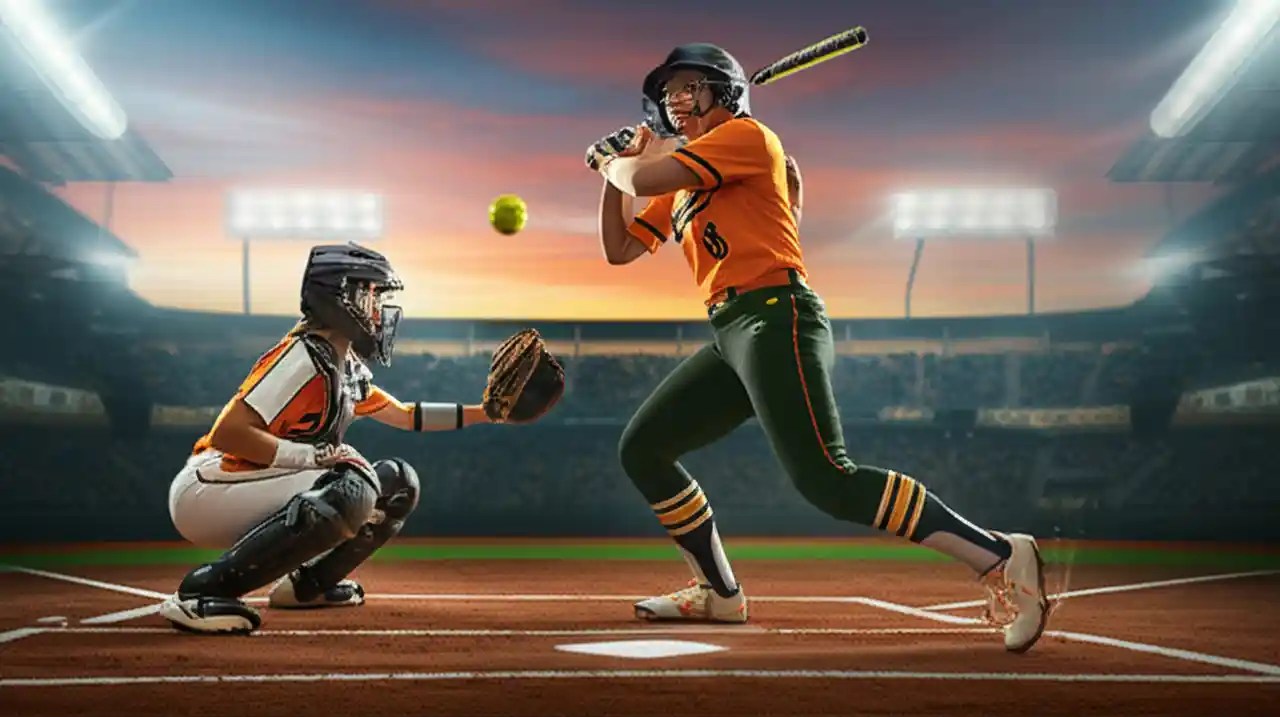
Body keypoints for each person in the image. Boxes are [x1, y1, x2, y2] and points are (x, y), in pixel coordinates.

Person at [585, 44, 1050, 653]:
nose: (674, 100)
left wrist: (617, 165)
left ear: (723, 92)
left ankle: (998, 555)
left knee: (828, 480)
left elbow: (643, 176)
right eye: (668, 92)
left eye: (688, 86)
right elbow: (619, 248)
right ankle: (718, 593)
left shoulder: (748, 137)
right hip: (731, 330)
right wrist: (615, 171)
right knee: (643, 449)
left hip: (776, 316)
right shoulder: (691, 175)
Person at [159, 242, 493, 634]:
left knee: (397, 482)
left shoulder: (343, 364)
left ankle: (307, 586)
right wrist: (315, 457)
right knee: (354, 483)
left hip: (251, 481)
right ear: (341, 296)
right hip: (210, 488)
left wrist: (487, 412)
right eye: (371, 294)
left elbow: (405, 415)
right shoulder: (302, 357)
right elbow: (229, 434)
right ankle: (203, 591)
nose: (378, 308)